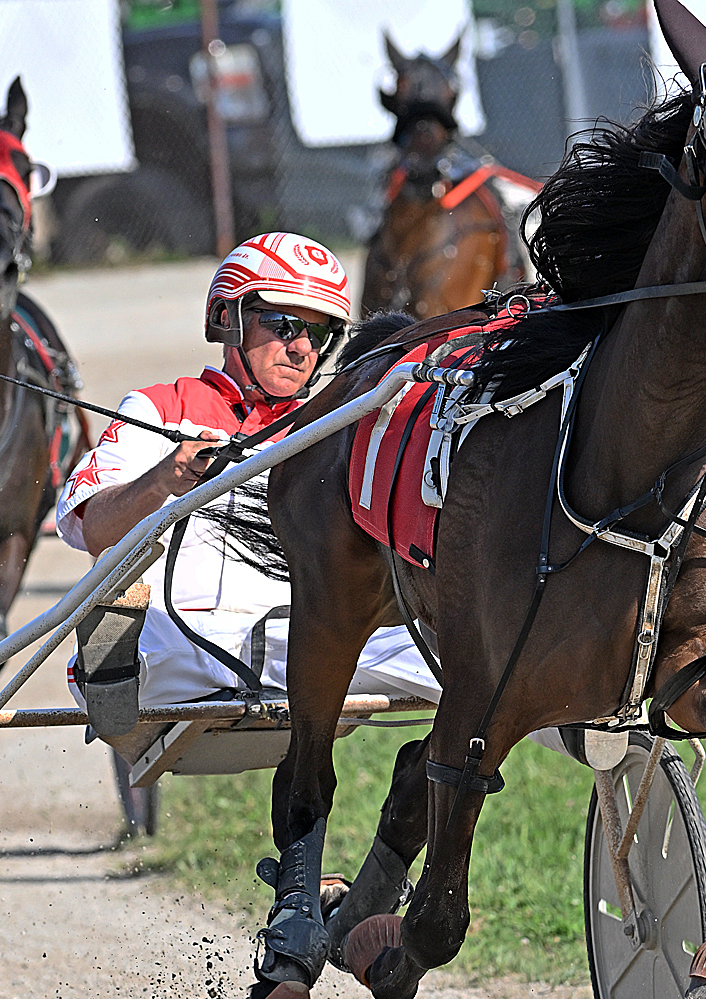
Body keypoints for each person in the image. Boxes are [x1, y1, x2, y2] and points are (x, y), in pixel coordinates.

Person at [56, 232, 441, 711]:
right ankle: (111, 670)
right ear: (227, 318)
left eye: (317, 334)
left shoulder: (333, 428)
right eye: (283, 325)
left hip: (300, 633)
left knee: (456, 654)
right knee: (161, 637)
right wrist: (165, 478)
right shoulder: (159, 407)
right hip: (176, 635)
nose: (302, 348)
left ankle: (564, 725)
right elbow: (97, 532)